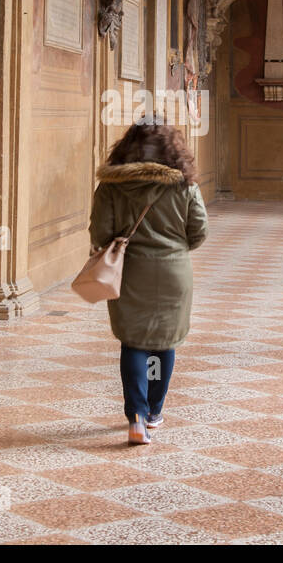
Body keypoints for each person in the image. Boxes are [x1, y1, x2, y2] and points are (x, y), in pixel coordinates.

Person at [88, 122, 208, 445]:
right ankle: (155, 411)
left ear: (127, 147)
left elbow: (100, 233)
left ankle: (137, 418)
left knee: (134, 340)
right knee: (164, 340)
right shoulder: (185, 185)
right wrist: (174, 249)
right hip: (174, 274)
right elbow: (199, 231)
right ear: (172, 149)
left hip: (131, 273)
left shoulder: (112, 186)